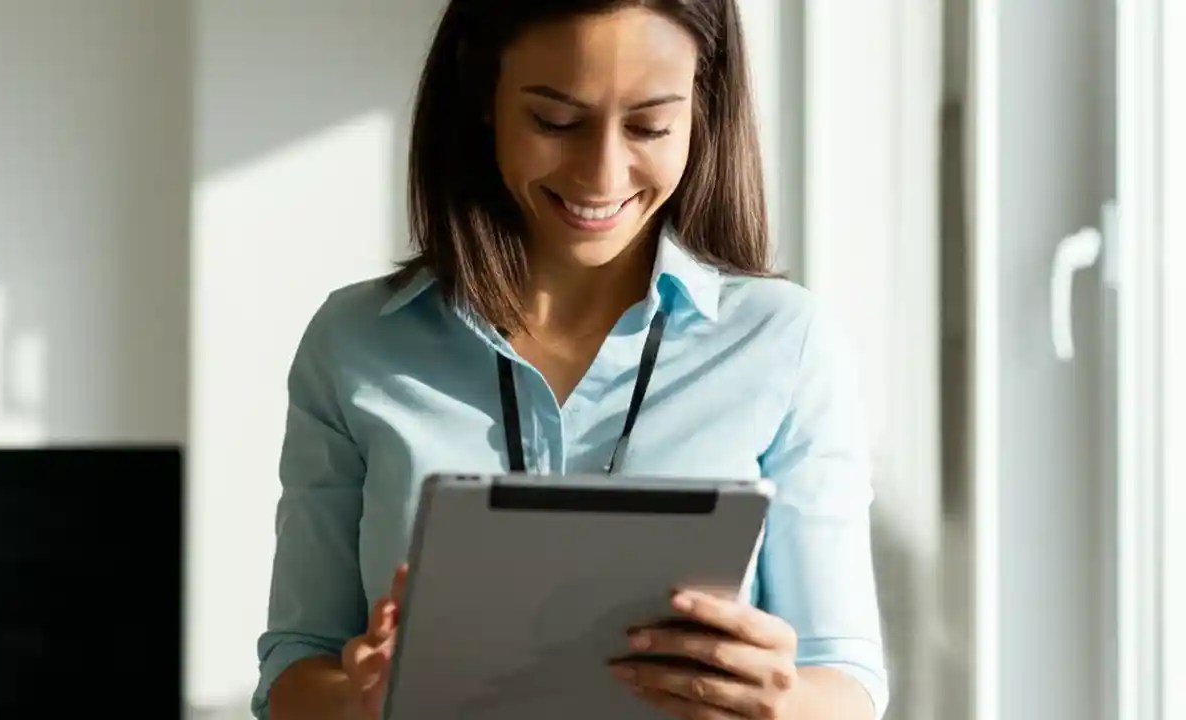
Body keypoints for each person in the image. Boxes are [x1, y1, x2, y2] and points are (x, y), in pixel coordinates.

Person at [253, 1, 888, 718]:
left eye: (649, 125)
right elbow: (292, 670)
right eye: (556, 121)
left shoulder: (786, 343)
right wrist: (361, 702)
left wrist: (780, 702)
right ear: (482, 95)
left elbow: (847, 678)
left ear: (702, 110)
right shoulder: (354, 343)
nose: (601, 173)